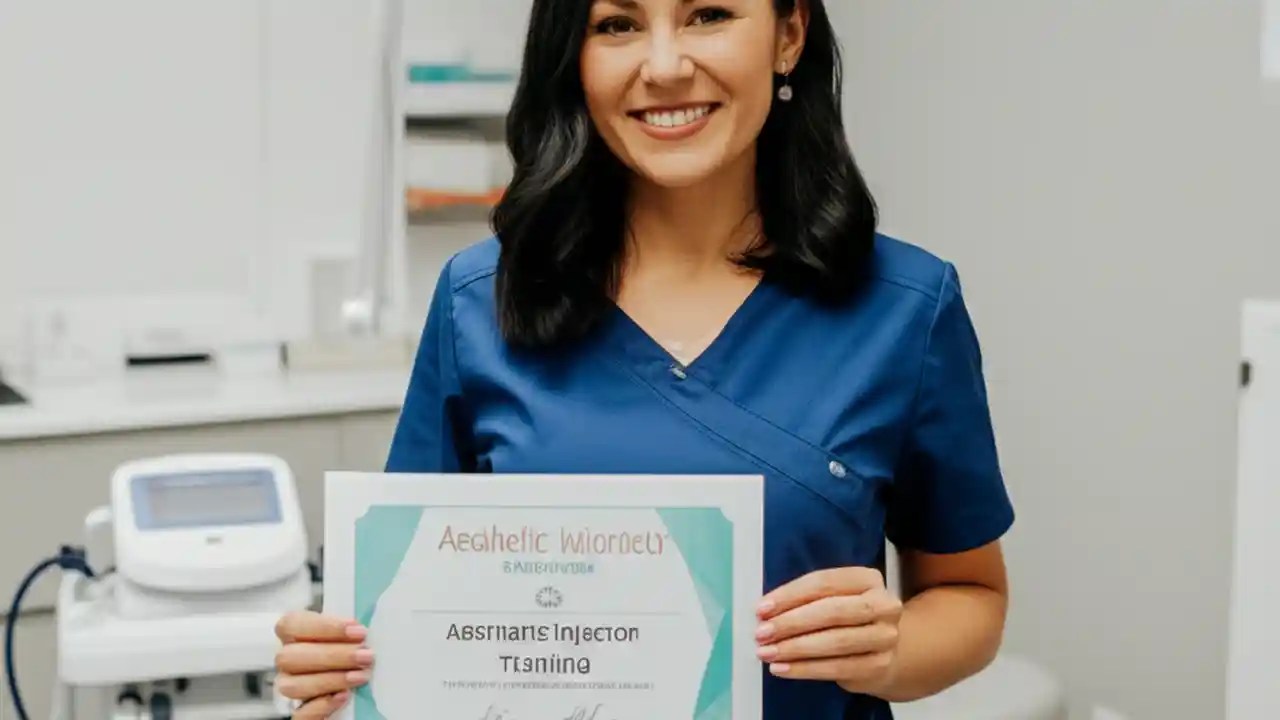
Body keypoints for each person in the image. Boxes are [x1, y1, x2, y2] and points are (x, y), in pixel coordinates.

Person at [273, 0, 1015, 717]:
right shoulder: (481, 302)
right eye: (617, 24)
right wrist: (340, 664)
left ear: (788, 34)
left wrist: (892, 651)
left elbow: (970, 595)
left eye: (709, 15)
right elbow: (406, 604)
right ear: (575, 55)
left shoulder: (904, 308)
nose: (663, 65)